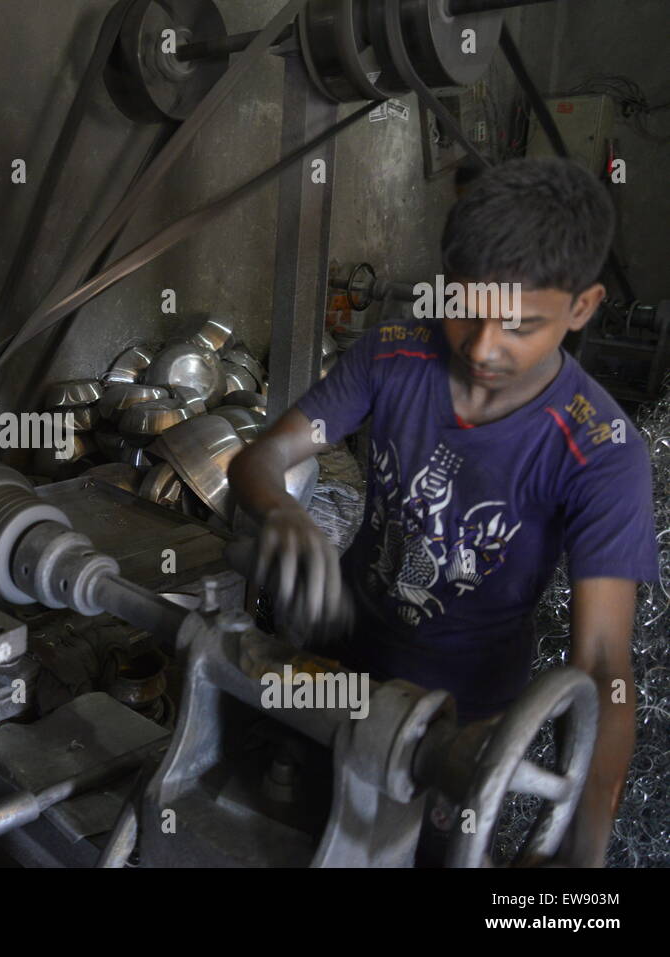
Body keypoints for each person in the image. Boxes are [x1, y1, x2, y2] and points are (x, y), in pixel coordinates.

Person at [229, 157, 657, 866]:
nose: (485, 346)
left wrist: (584, 852)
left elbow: (606, 663)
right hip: (340, 673)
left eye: (522, 324)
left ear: (582, 308)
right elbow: (260, 459)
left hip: (465, 725)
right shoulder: (393, 357)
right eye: (465, 308)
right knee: (292, 831)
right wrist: (279, 510)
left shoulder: (602, 451)